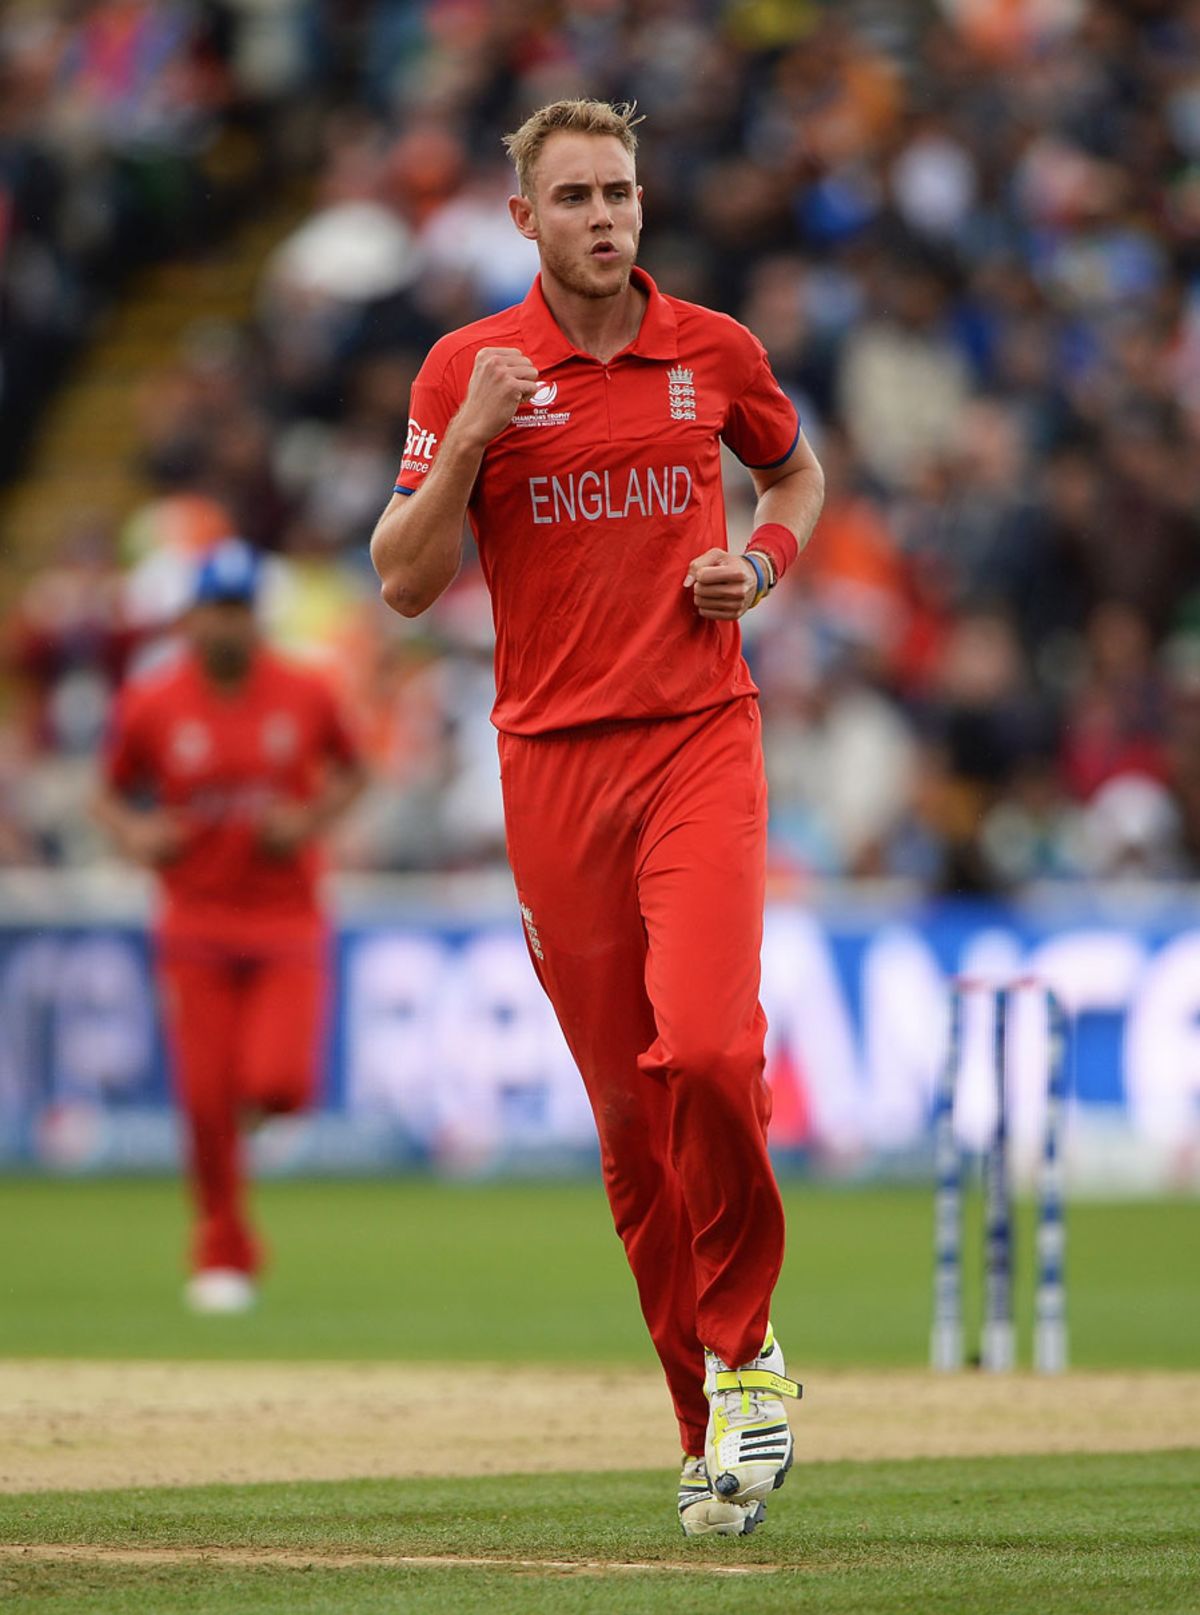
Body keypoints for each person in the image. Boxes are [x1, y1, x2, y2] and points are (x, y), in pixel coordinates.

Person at [370, 99, 825, 1537]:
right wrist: (465, 448)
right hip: (551, 769)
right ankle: (706, 1424)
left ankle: (747, 1354)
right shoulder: (470, 370)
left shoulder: (714, 350)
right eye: (573, 196)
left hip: (699, 740)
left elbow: (794, 469)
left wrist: (761, 562)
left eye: (620, 191)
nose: (605, 216)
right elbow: (400, 579)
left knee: (704, 1045)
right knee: (631, 1126)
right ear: (525, 220)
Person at [93, 538, 365, 1313]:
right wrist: (135, 836)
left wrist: (309, 817)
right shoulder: (153, 700)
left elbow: (356, 772)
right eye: (217, 608)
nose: (229, 626)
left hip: (286, 920)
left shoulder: (305, 691)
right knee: (206, 1100)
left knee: (279, 1083)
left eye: (242, 610)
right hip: (194, 923)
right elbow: (108, 793)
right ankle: (224, 1248)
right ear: (191, 616)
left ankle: (261, 1126)